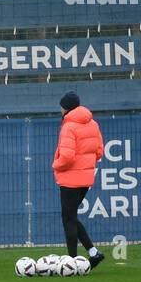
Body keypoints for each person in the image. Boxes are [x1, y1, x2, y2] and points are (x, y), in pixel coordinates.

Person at [53, 91, 105, 269]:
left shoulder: (68, 126)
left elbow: (66, 156)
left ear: (66, 107)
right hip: (85, 179)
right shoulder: (93, 123)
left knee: (68, 219)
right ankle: (93, 253)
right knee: (71, 217)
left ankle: (72, 261)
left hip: (69, 179)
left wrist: (56, 165)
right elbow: (99, 152)